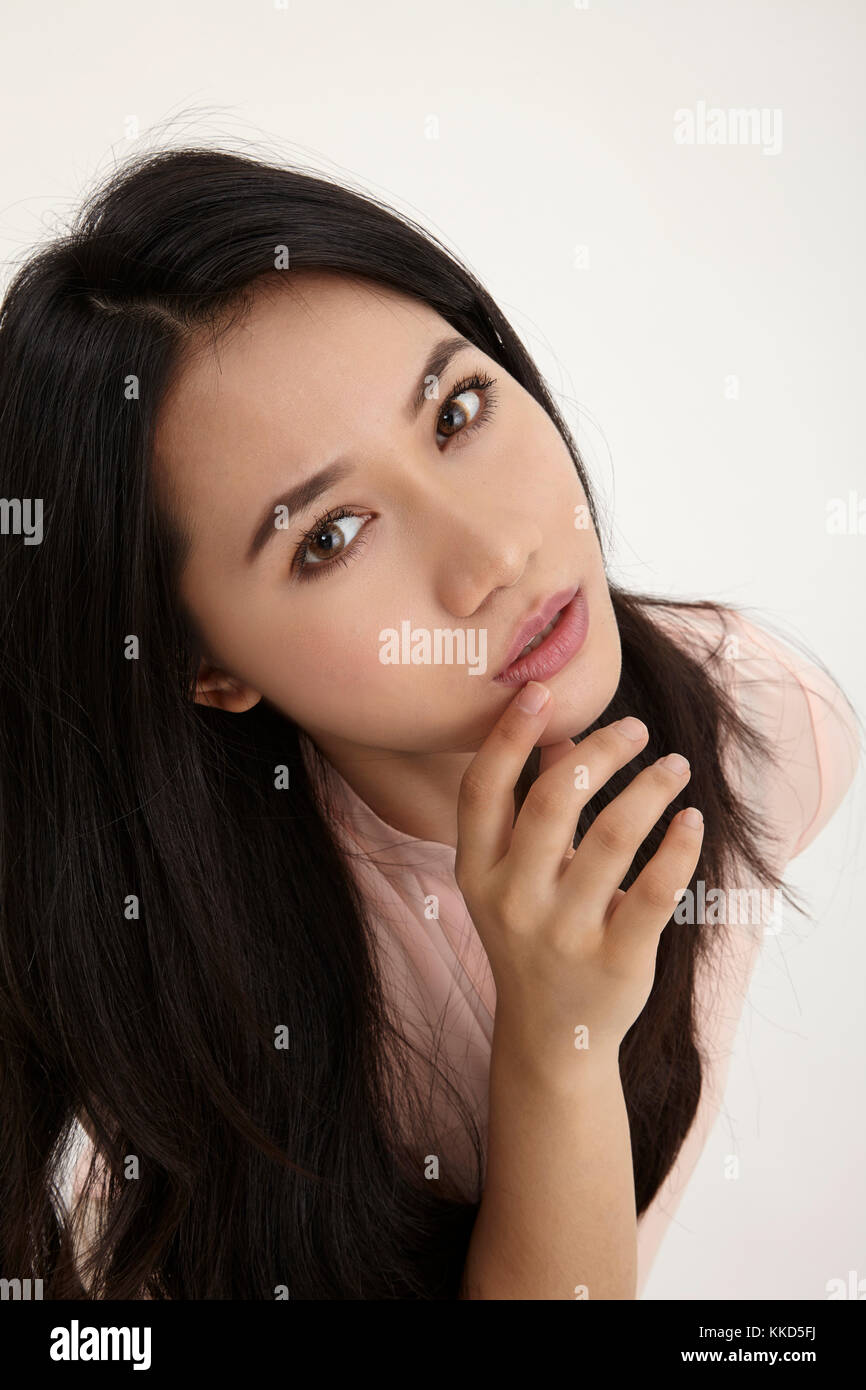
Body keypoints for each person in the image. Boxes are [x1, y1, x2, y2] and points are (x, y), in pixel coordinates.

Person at [0, 147, 859, 1299]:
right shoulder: (142, 946)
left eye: (456, 409)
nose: (495, 556)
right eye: (330, 536)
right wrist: (556, 1047)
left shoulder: (759, 724)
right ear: (206, 669)